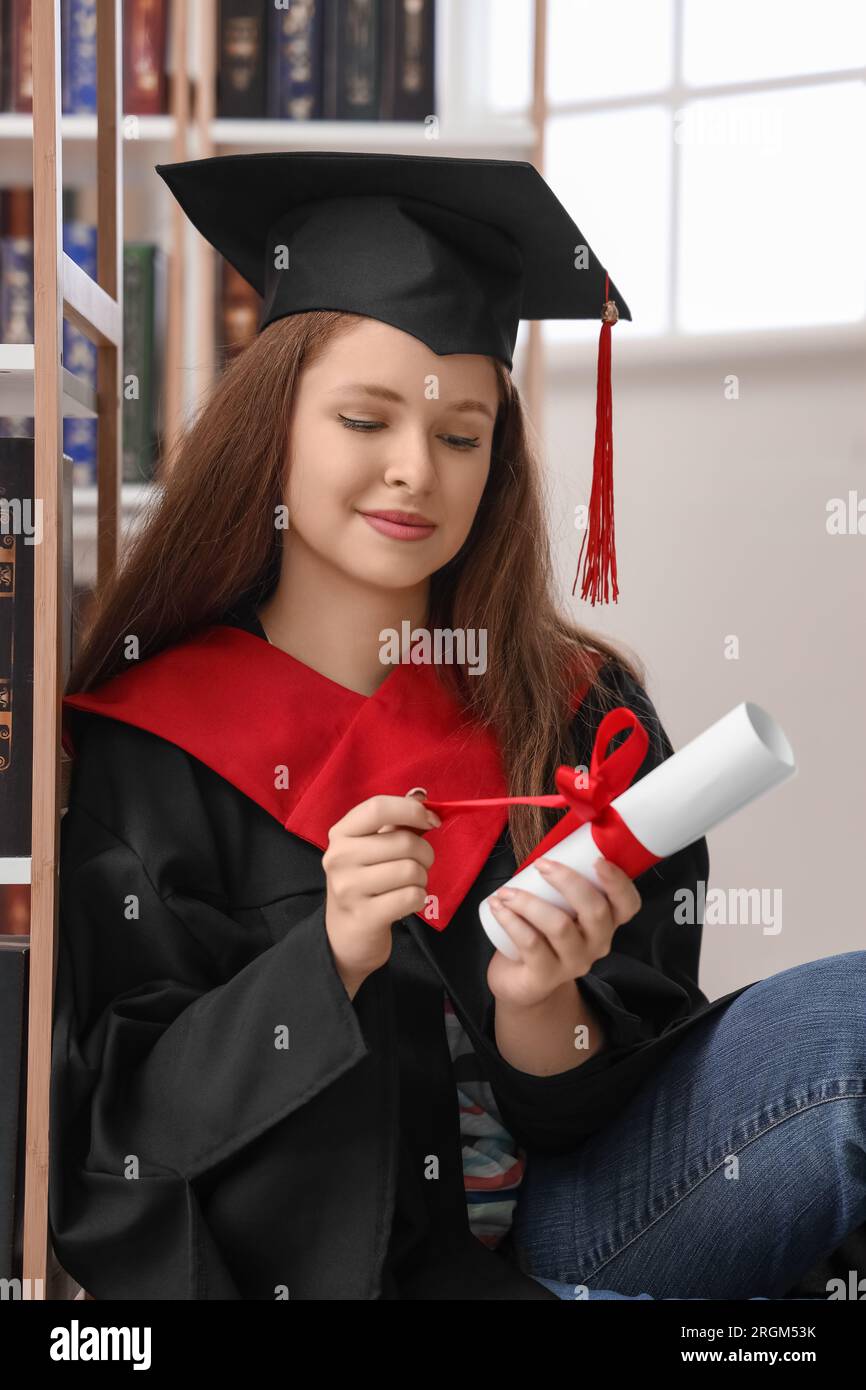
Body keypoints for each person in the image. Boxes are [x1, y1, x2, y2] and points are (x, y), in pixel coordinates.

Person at [49, 152, 866, 1301]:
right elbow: (121, 1134)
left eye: (459, 434)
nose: (410, 471)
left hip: (588, 1231)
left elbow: (629, 1096)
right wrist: (323, 957)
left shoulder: (576, 708)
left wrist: (544, 1007)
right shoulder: (151, 748)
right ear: (270, 426)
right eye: (361, 418)